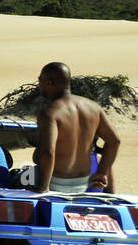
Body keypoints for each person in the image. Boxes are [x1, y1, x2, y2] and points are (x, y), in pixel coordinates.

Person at [34, 62, 119, 193]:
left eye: (40, 80)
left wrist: (43, 188)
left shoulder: (50, 113)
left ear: (49, 82)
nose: (39, 85)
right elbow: (114, 141)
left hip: (56, 183)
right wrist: (102, 172)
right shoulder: (94, 107)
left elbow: (48, 151)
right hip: (84, 184)